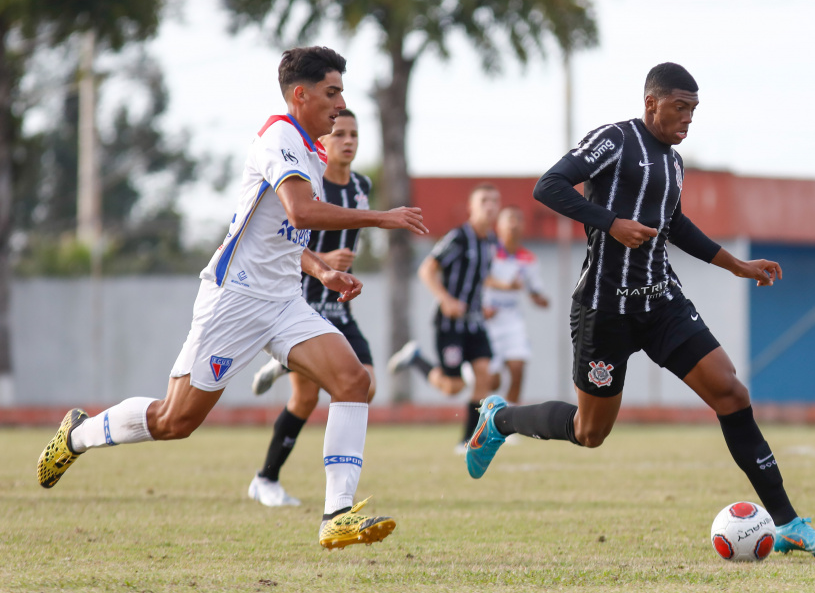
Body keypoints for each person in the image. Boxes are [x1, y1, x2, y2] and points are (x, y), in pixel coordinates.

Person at [37, 46, 429, 551]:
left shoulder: (310, 149)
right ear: (301, 94)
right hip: (235, 300)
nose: (340, 104)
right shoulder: (278, 138)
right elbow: (302, 212)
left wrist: (318, 269)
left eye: (342, 93)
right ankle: (77, 435)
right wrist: (382, 217)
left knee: (354, 381)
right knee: (174, 420)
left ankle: (336, 515)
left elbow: (283, 230)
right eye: (333, 93)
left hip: (283, 300)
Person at [464, 62, 815, 557]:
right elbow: (550, 186)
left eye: (694, 110)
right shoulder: (614, 140)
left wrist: (735, 265)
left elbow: (676, 225)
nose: (688, 119)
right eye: (680, 108)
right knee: (589, 431)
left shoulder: (674, 162)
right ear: (652, 104)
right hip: (604, 308)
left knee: (730, 392)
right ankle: (499, 421)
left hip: (661, 300)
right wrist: (611, 222)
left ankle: (789, 522)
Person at [247, 109, 380, 506]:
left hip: (338, 305)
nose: (348, 141)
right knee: (305, 400)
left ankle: (289, 363)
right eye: (339, 133)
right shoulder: (310, 180)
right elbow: (292, 231)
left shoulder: (361, 184)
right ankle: (266, 480)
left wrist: (346, 268)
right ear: (322, 141)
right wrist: (324, 264)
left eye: (354, 134)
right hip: (302, 299)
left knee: (366, 387)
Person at [388, 184, 500, 451]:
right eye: (483, 200)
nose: (490, 206)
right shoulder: (459, 237)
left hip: (474, 321)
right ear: (471, 208)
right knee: (452, 387)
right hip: (449, 324)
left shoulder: (492, 241)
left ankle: (470, 440)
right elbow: (427, 269)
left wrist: (483, 304)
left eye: (495, 201)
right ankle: (415, 359)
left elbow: (478, 277)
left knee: (484, 375)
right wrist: (446, 300)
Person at [482, 206, 549, 405]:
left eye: (517, 220)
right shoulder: (488, 252)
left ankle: (507, 423)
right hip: (487, 320)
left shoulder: (528, 259)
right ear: (499, 225)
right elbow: (481, 279)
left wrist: (540, 299)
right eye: (509, 219)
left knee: (518, 369)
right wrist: (505, 286)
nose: (513, 224)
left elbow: (534, 289)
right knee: (492, 382)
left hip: (512, 320)